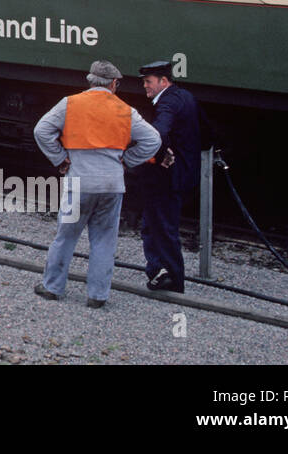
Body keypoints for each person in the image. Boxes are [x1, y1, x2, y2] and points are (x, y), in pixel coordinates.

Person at [33, 60, 161, 307]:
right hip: (112, 185)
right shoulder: (125, 110)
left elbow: (42, 131)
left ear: (90, 81)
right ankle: (98, 296)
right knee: (103, 240)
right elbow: (152, 140)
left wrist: (60, 158)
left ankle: (52, 287)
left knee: (66, 237)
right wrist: (127, 161)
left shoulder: (70, 103)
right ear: (114, 84)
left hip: (79, 183)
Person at [137, 60, 203, 294]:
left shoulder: (166, 103)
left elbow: (158, 133)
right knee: (155, 223)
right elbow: (205, 129)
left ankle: (172, 279)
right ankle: (158, 271)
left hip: (167, 178)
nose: (145, 86)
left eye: (148, 82)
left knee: (161, 226)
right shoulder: (185, 96)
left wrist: (161, 154)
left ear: (163, 81)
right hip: (185, 173)